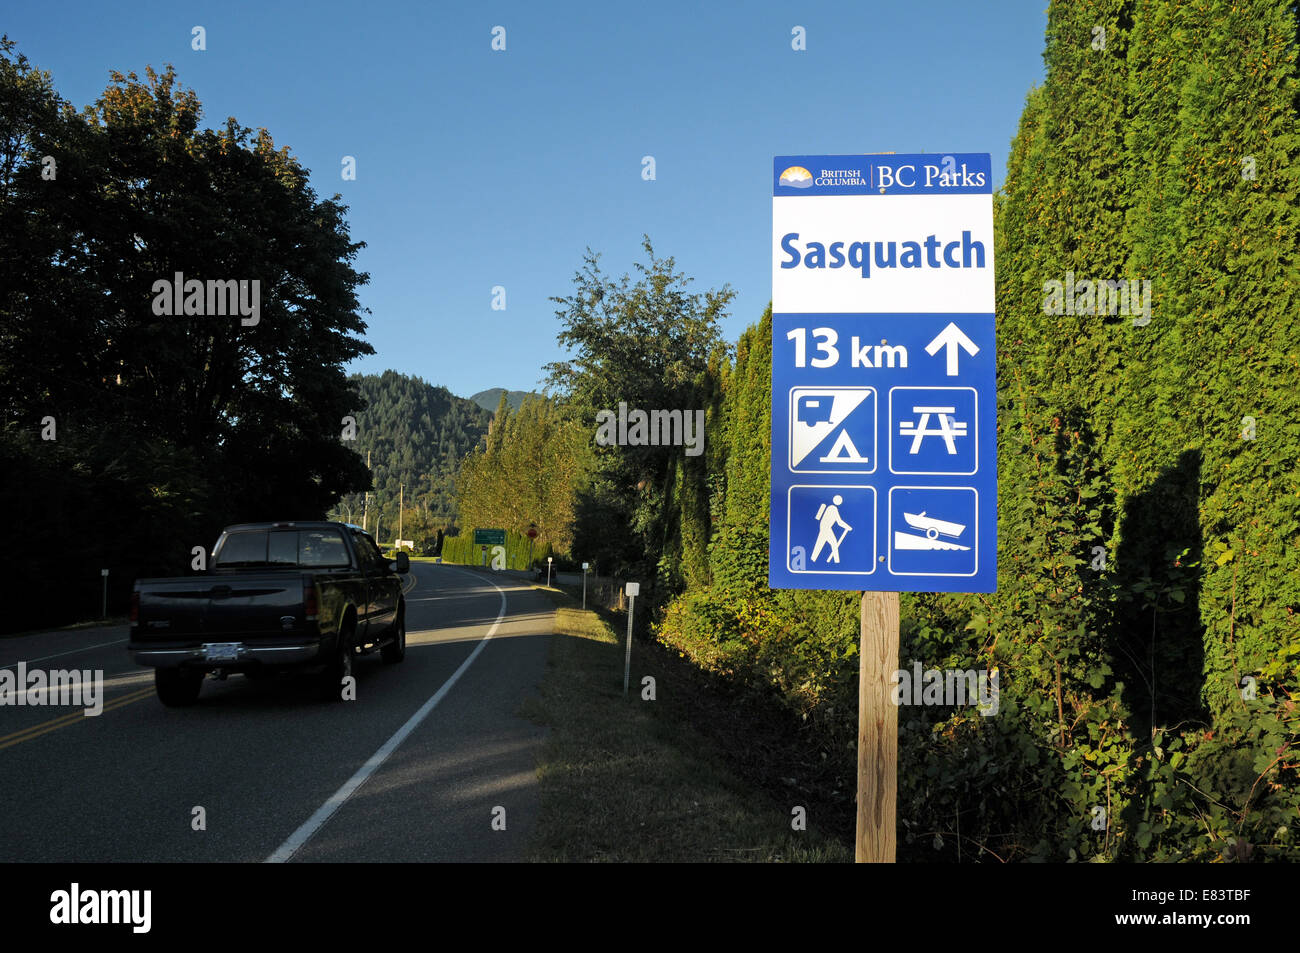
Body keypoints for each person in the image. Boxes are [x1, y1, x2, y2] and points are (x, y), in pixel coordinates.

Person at [812, 494, 852, 563]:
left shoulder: (830, 507)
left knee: (819, 544)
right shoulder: (833, 508)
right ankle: (837, 562)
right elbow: (839, 522)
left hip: (824, 527)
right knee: (834, 544)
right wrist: (848, 527)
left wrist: (847, 526)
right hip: (826, 528)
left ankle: (812, 560)